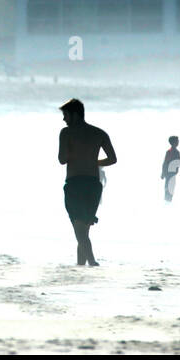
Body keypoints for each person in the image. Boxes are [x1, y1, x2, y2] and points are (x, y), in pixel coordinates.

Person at [57, 98, 117, 267]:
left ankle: (92, 262)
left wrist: (76, 154)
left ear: (75, 114)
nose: (64, 119)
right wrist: (93, 161)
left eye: (66, 115)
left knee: (79, 230)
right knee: (83, 229)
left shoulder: (66, 133)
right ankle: (80, 267)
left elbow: (62, 159)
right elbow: (112, 159)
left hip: (75, 184)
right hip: (93, 185)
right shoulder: (99, 133)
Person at [161, 135, 180, 202]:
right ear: (174, 142)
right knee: (169, 188)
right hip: (170, 173)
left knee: (169, 188)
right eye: (177, 141)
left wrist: (163, 173)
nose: (178, 142)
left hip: (170, 173)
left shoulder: (171, 151)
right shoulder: (174, 152)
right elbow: (166, 162)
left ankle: (167, 201)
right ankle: (167, 201)